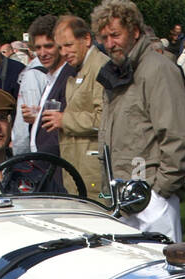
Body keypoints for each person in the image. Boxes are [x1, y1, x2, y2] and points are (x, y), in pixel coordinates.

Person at [94, 0, 185, 242]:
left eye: (115, 35)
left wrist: (160, 191)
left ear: (135, 31)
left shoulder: (158, 69)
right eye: (104, 37)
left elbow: (178, 133)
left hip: (152, 197)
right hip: (124, 198)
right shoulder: (116, 72)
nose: (110, 43)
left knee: (163, 263)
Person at [52, 15, 106, 197]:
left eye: (68, 45)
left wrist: (64, 120)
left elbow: (105, 119)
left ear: (87, 39)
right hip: (79, 171)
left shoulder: (100, 68)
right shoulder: (78, 68)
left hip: (94, 174)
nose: (63, 52)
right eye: (60, 47)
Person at [27, 14, 73, 159]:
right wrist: (35, 116)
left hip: (56, 162)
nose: (42, 53)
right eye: (38, 48)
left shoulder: (69, 77)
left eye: (48, 46)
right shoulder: (51, 78)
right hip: (43, 161)